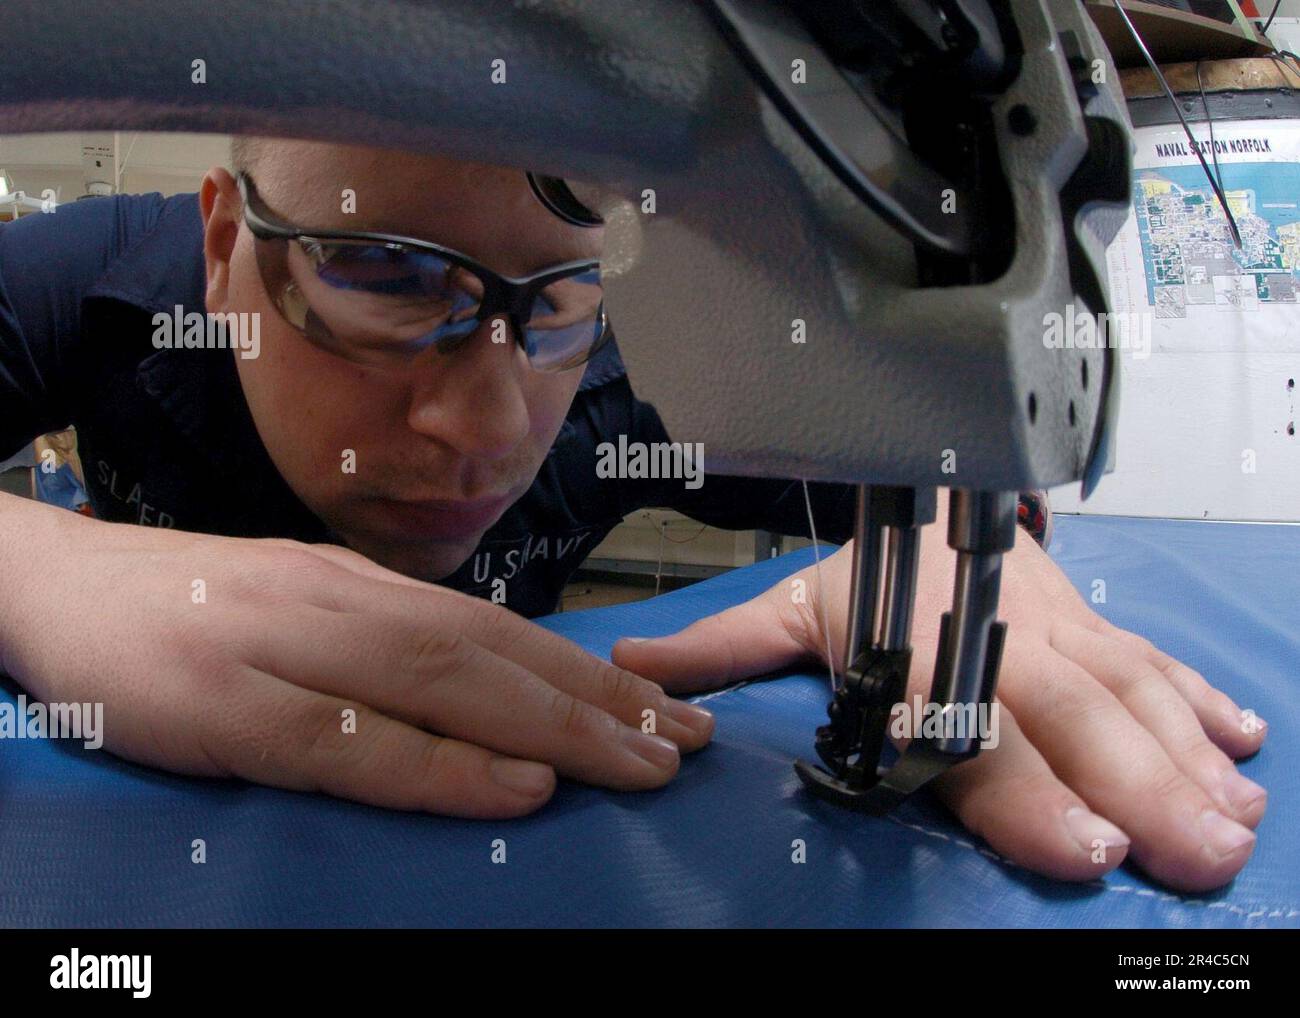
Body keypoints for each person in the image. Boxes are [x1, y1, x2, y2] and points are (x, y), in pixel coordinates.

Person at [0, 138, 1266, 893]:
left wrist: (930, 549)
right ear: (225, 240)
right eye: (386, 274)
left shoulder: (636, 380)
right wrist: (43, 568)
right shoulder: (97, 283)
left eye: (563, 293)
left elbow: (929, 468)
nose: (486, 424)